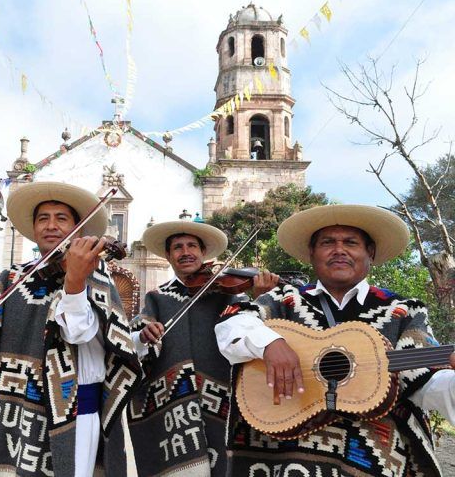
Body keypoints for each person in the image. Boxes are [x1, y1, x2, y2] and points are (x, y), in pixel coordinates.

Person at [215, 204, 455, 476]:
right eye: (328, 242)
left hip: (378, 462)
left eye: (351, 242)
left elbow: (424, 382)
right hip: (284, 459)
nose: (339, 249)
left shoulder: (403, 310)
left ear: (370, 253)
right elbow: (231, 323)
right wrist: (270, 343)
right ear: (312, 254)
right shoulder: (286, 300)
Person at [0, 181, 142, 476]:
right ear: (34, 227)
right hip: (16, 409)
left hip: (77, 414)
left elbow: (77, 331)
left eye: (61, 218)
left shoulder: (98, 275)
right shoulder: (14, 276)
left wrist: (75, 282)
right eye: (43, 218)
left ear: (78, 229)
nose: (51, 225)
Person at [128, 220, 278, 476]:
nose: (185, 252)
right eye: (177, 247)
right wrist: (143, 337)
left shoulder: (230, 294)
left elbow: (255, 331)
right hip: (174, 405)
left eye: (192, 246)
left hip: (226, 400)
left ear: (203, 253)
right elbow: (132, 342)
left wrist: (260, 296)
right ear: (168, 255)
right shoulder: (157, 297)